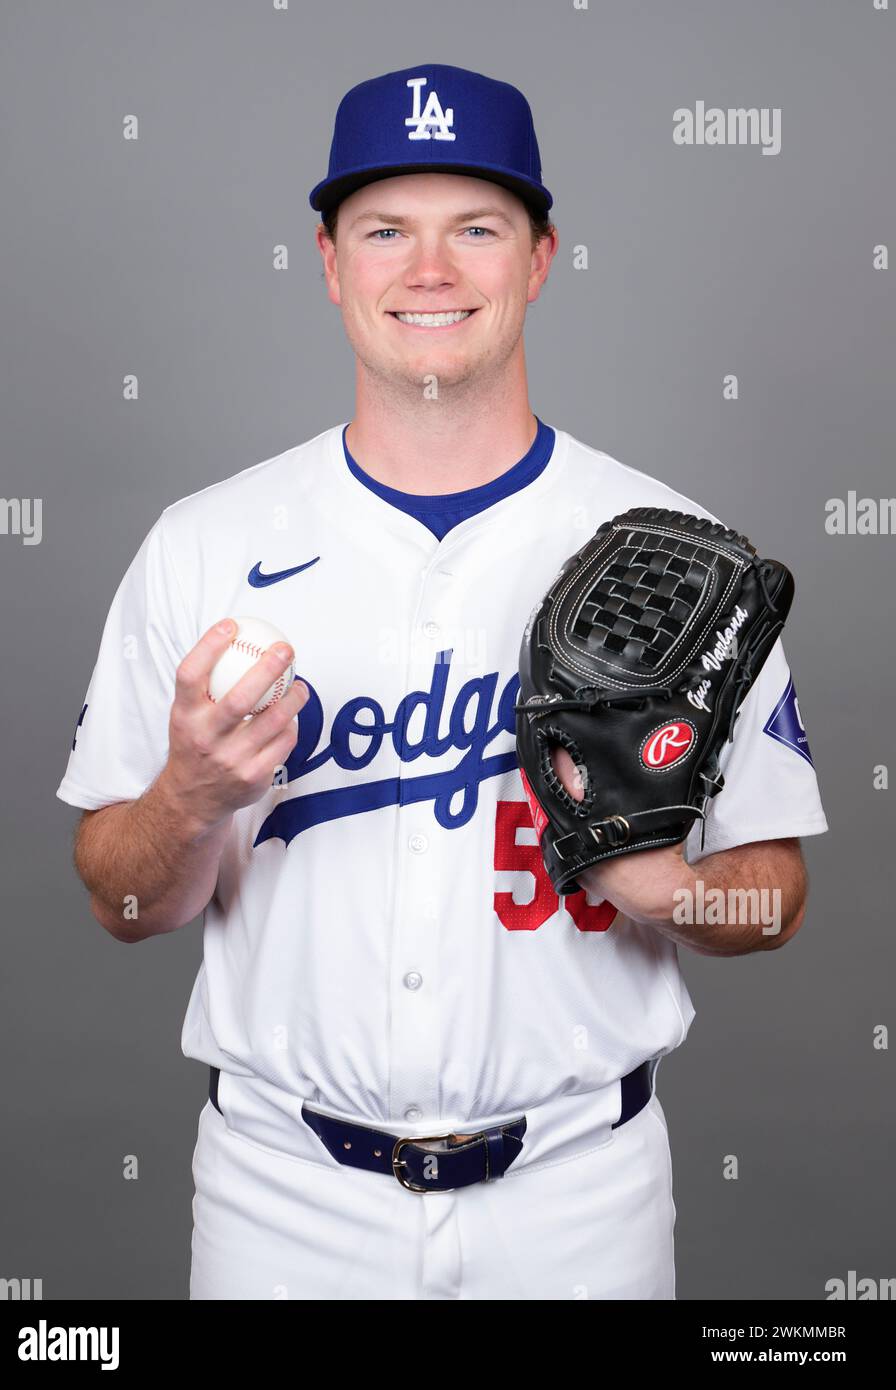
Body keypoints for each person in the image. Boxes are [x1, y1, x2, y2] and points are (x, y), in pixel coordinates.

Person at [56, 63, 828, 1300]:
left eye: (475, 229)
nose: (430, 271)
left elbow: (775, 905)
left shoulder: (674, 551)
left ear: (538, 257)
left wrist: (671, 889)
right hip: (279, 1204)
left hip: (580, 1202)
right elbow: (121, 905)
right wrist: (187, 800)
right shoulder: (200, 543)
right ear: (327, 261)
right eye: (385, 232)